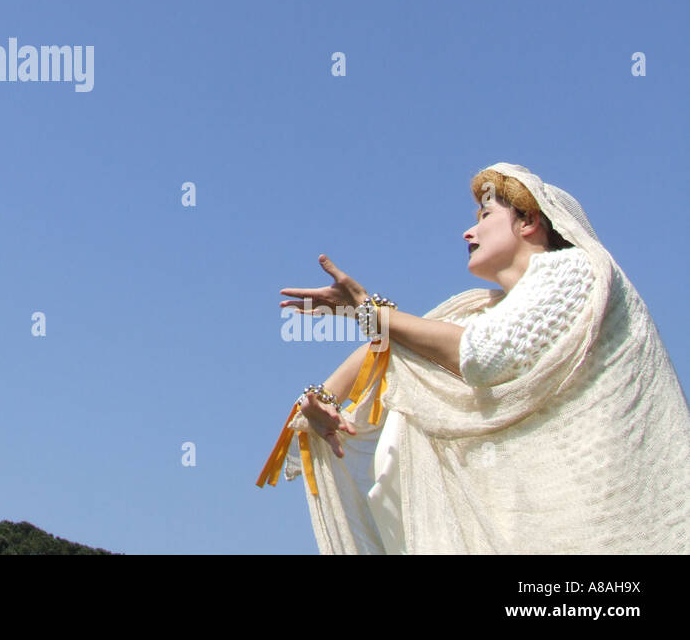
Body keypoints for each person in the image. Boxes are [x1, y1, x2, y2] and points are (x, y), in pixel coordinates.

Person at [257, 163, 690, 554]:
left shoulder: (574, 269)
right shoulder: (479, 310)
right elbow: (392, 348)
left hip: (604, 522)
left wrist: (371, 313)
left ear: (530, 221)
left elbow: (480, 353)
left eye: (485, 216)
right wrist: (323, 399)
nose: (469, 232)